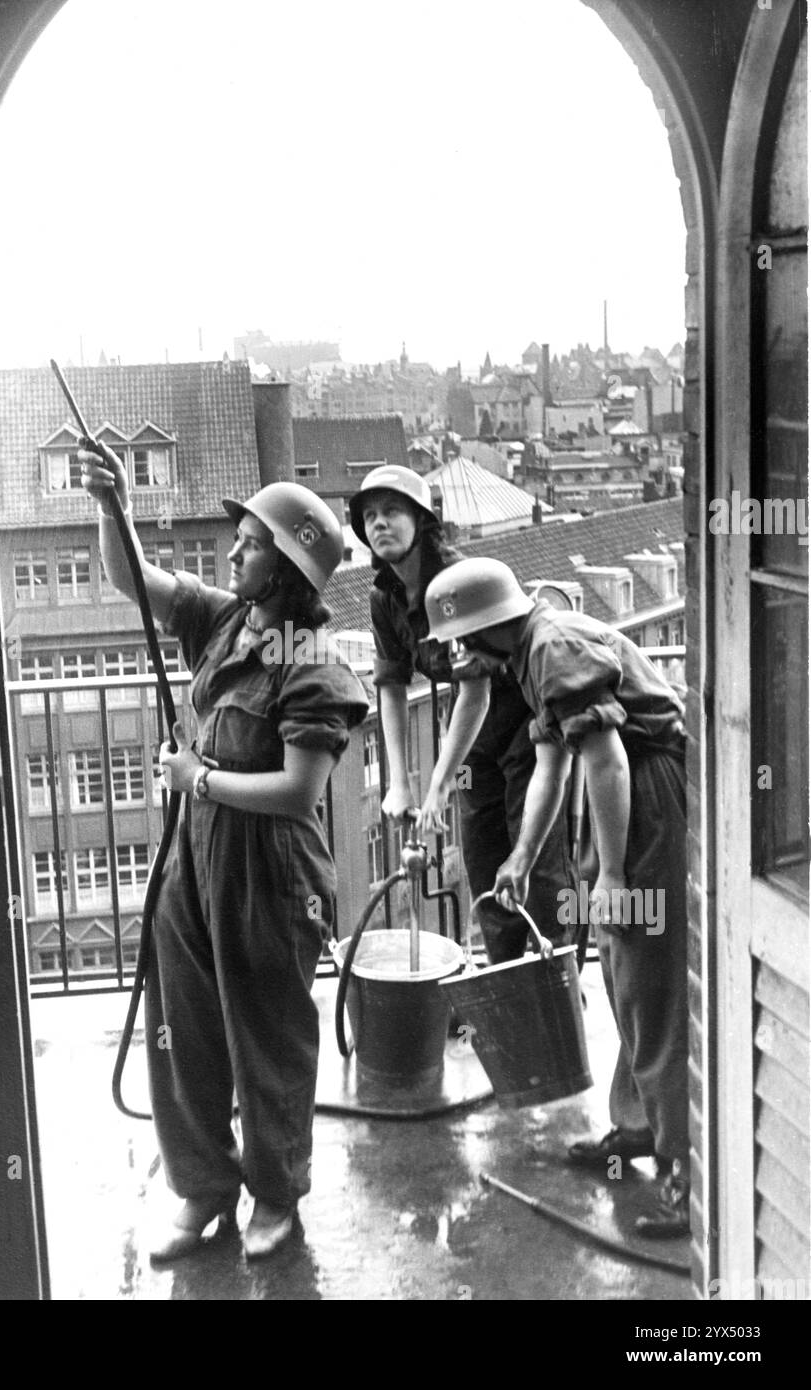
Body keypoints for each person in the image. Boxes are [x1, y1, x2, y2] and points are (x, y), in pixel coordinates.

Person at [83, 449, 369, 1261]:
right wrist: (115, 506)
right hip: (195, 861)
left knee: (267, 1036)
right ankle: (203, 1189)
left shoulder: (315, 667)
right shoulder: (223, 622)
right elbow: (135, 581)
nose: (231, 552)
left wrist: (197, 779)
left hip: (268, 871)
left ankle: (275, 1195)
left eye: (248, 543)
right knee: (183, 1027)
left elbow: (297, 792)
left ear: (284, 570)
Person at [424, 557, 690, 1237]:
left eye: (460, 643)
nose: (460, 659)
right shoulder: (531, 654)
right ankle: (636, 1126)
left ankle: (683, 1174)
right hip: (623, 806)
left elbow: (606, 759)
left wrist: (612, 877)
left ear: (485, 628)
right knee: (623, 974)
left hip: (643, 799)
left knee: (650, 981)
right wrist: (519, 859)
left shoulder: (551, 648)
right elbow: (551, 764)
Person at [348, 466, 576, 961]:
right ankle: (505, 984)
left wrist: (439, 783)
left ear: (422, 521)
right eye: (369, 516)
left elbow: (476, 690)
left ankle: (557, 987)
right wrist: (400, 782)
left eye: (391, 512)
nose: (378, 524)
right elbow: (390, 686)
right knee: (482, 859)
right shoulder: (383, 596)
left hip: (523, 723)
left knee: (537, 862)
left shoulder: (453, 582)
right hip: (473, 740)